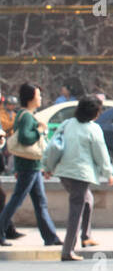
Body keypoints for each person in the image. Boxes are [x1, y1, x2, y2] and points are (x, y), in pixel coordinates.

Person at [43, 96, 113, 261]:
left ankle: (86, 236)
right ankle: (68, 250)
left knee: (87, 199)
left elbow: (53, 146)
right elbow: (101, 154)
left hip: (64, 173)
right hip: (80, 175)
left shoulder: (67, 124)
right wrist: (108, 173)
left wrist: (48, 167)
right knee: (76, 211)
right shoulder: (93, 129)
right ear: (94, 113)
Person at [0, 83, 62, 249]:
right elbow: (26, 139)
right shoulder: (27, 116)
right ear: (31, 98)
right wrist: (40, 130)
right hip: (28, 166)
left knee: (40, 202)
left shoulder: (26, 115)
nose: (40, 98)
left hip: (33, 166)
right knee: (17, 200)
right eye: (38, 95)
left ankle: (50, 236)